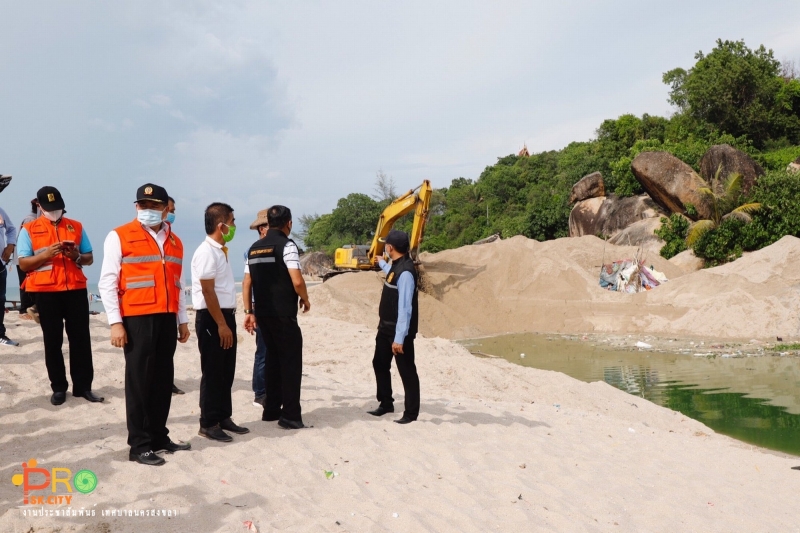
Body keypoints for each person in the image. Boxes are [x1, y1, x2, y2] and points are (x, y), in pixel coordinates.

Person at [98, 183, 192, 466]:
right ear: (136, 206)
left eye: (154, 206)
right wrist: (115, 323)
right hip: (137, 318)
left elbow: (179, 284)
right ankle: (139, 445)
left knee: (163, 380)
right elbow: (107, 282)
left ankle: (158, 436)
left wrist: (182, 319)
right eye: (143, 205)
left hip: (166, 317)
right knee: (139, 382)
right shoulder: (119, 236)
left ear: (166, 209)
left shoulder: (175, 241)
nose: (147, 210)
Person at [18, 186, 102, 405]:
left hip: (75, 289)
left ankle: (83, 387)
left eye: (58, 208)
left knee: (81, 340)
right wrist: (47, 254)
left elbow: (89, 257)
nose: (55, 212)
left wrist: (75, 256)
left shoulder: (76, 226)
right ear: (39, 206)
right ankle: (58, 388)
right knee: (52, 341)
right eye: (49, 208)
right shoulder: (29, 229)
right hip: (46, 293)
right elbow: (24, 263)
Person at [244, 205, 310, 430]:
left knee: (272, 360)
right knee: (290, 363)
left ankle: (271, 410)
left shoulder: (254, 248)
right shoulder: (287, 246)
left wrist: (248, 311)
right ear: (288, 223)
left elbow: (246, 282)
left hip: (263, 314)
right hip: (283, 315)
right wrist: (305, 298)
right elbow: (298, 280)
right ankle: (290, 415)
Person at [191, 202, 248, 442]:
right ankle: (208, 422)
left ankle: (223, 415)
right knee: (213, 371)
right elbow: (207, 291)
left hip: (225, 315)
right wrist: (221, 324)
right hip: (212, 317)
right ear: (221, 225)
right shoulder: (206, 251)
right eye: (232, 222)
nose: (234, 226)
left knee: (226, 370)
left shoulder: (220, 250)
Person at [367, 230, 420, 424]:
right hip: (385, 329)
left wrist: (399, 338)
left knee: (406, 371)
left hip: (399, 333)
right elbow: (391, 274)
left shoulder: (406, 272)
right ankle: (386, 403)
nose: (385, 247)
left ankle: (411, 413)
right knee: (379, 364)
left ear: (391, 247)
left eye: (386, 245)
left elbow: (405, 308)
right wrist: (381, 262)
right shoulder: (397, 266)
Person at [241, 209, 269, 407]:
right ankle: (260, 392)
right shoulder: (254, 250)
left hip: (272, 307)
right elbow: (247, 283)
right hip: (261, 306)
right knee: (263, 352)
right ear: (262, 228)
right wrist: (249, 311)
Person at [162, 196, 185, 396]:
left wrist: (182, 319)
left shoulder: (174, 241)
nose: (173, 214)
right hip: (144, 309)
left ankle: (168, 383)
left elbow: (180, 280)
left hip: (170, 307)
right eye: (171, 210)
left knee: (167, 353)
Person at [17, 198, 39, 321]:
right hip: (24, 257)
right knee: (24, 283)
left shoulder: (35, 219)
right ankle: (23, 309)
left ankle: (30, 308)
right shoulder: (30, 219)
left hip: (31, 257)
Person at [0, 197, 18, 345]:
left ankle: (0, 334)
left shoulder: (0, 212)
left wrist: (11, 245)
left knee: (0, 299)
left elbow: (11, 229)